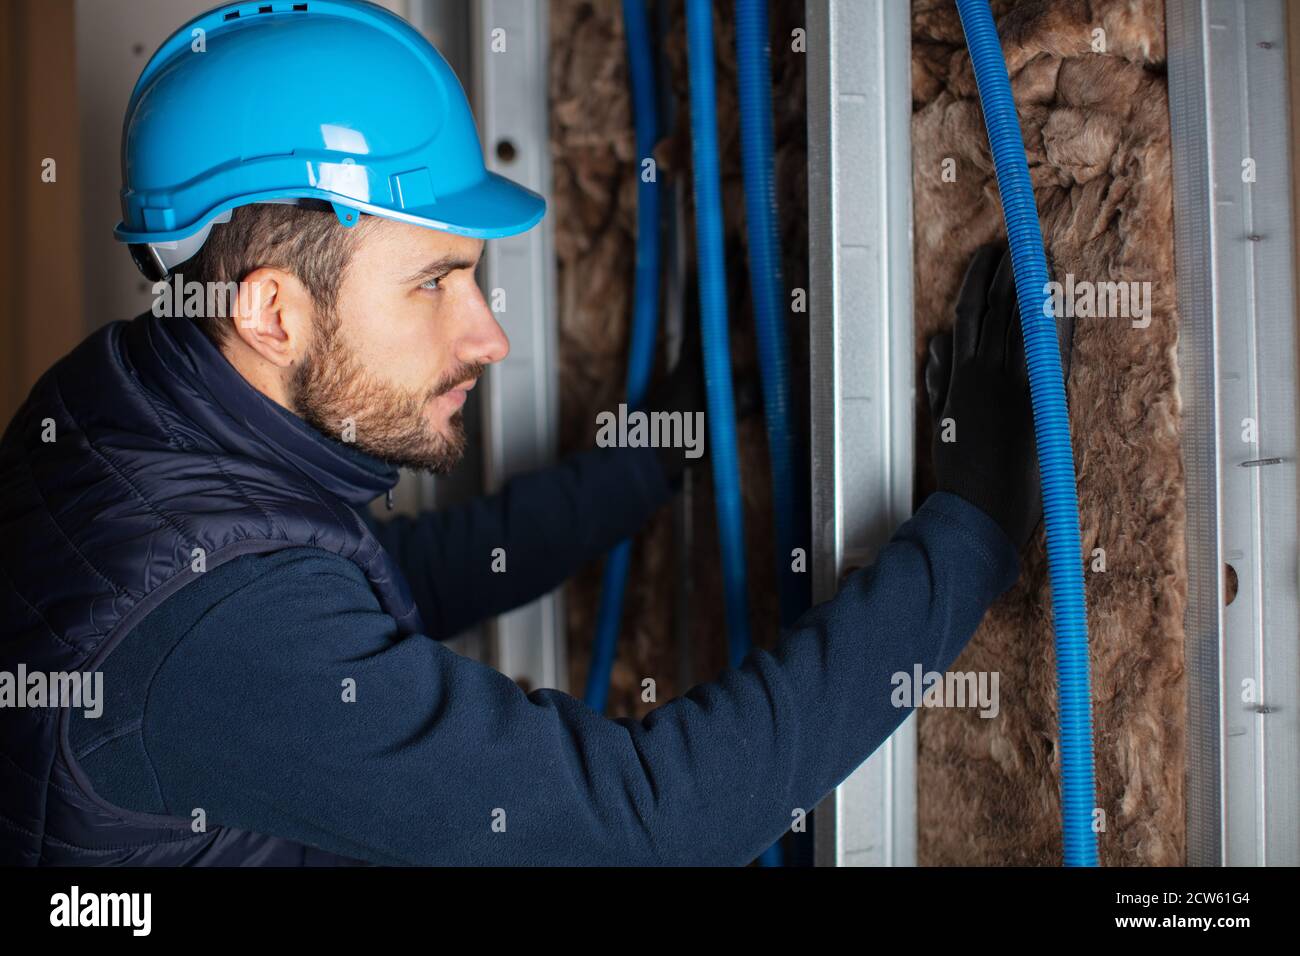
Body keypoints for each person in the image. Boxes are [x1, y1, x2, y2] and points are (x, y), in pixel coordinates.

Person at [0, 0, 1043, 866]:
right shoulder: (212, 631)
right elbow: (650, 818)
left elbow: (389, 574)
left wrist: (657, 445)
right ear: (272, 310)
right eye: (434, 282)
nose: (488, 334)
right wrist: (970, 529)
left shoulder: (124, 409)